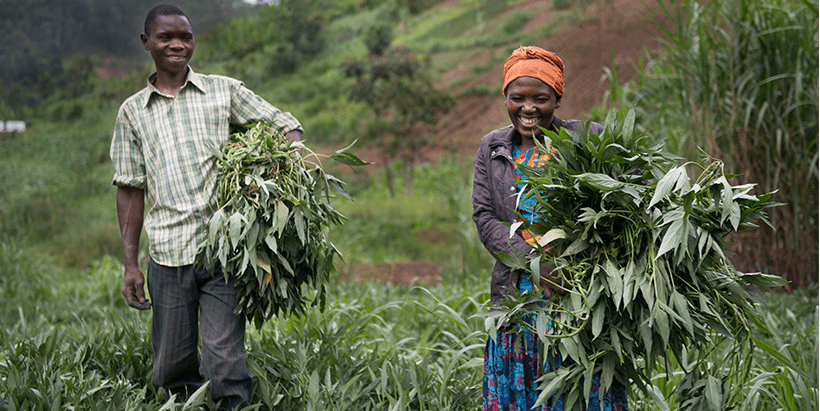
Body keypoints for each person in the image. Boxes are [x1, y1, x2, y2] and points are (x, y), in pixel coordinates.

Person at [110, 4, 303, 410]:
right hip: (167, 254)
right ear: (147, 43)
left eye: (186, 37)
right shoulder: (132, 112)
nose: (178, 45)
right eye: (166, 38)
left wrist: (279, 165)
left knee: (224, 358)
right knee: (172, 364)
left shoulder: (223, 91)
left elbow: (285, 124)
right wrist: (130, 262)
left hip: (223, 251)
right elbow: (129, 187)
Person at [471, 46, 628, 410]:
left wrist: (578, 259)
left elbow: (623, 199)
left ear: (557, 99)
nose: (528, 108)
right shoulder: (492, 147)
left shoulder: (588, 138)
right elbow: (485, 217)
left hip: (581, 300)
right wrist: (536, 264)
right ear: (505, 99)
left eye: (540, 98)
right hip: (518, 297)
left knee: (581, 389)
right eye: (518, 98)